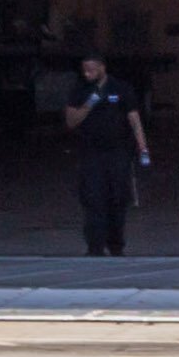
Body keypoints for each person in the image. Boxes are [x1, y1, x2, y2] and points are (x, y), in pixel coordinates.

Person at [64, 54, 151, 258]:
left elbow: (134, 119)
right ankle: (95, 246)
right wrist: (88, 105)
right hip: (91, 153)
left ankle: (116, 245)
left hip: (118, 152)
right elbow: (71, 121)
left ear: (102, 67)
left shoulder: (121, 88)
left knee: (118, 198)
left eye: (92, 70)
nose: (87, 74)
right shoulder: (80, 90)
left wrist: (143, 147)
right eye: (84, 70)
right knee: (93, 199)